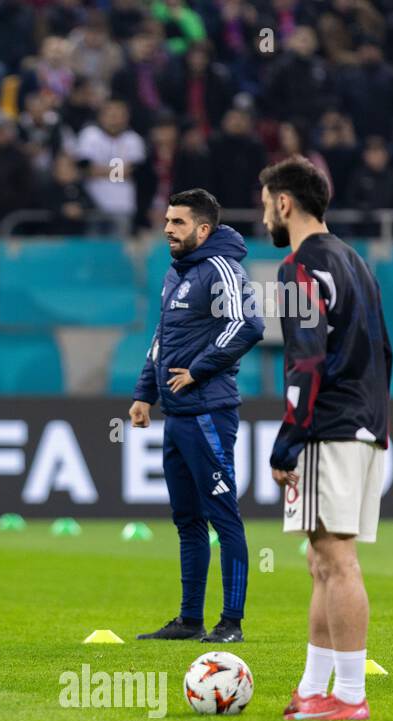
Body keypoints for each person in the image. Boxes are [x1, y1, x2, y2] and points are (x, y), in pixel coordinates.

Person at [261, 156, 393, 721]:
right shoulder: (356, 262)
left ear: (285, 203)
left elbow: (307, 361)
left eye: (266, 202)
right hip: (364, 425)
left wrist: (289, 436)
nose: (264, 213)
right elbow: (384, 350)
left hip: (328, 427)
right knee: (323, 558)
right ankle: (315, 688)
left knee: (337, 560)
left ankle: (349, 697)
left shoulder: (297, 269)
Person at [130, 188, 264, 644]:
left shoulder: (224, 269)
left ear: (203, 229)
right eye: (167, 220)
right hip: (176, 414)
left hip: (209, 411)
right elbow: (161, 338)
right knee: (187, 519)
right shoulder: (177, 274)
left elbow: (248, 324)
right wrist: (145, 393)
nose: (167, 228)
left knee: (224, 517)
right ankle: (190, 620)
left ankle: (232, 622)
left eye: (178, 222)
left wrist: (200, 370)